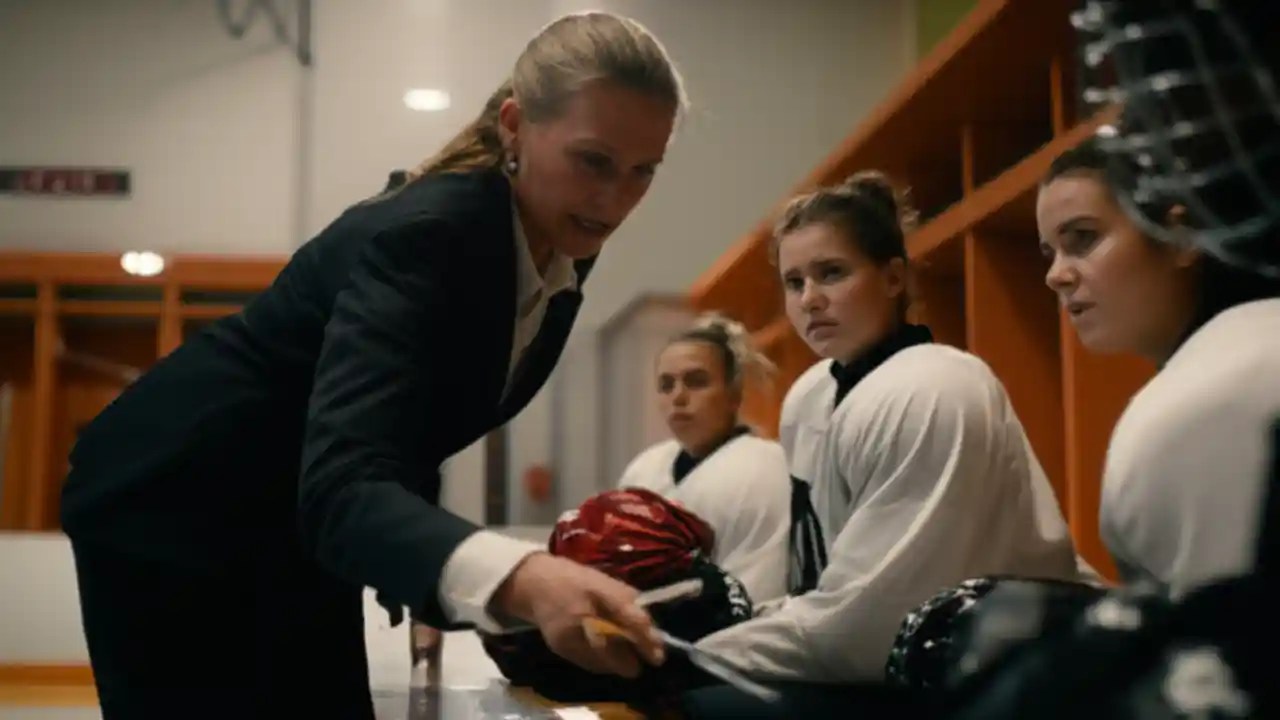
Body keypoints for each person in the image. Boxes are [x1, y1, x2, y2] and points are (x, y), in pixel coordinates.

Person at [58, 12, 685, 718]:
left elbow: (408, 414)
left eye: (643, 172)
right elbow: (343, 481)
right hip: (171, 505)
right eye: (593, 160)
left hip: (288, 516)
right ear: (515, 125)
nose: (615, 198)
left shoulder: (562, 239)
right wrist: (521, 576)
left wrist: (427, 564)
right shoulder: (432, 234)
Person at [690, 170, 1083, 685]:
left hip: (1008, 678)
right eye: (794, 281)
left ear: (894, 278)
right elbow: (826, 592)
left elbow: (871, 628)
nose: (809, 298)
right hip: (900, 664)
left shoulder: (934, 388)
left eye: (831, 273)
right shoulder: (811, 395)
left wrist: (690, 657)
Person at [1037, 137, 1280, 598]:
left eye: (1082, 239)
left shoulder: (1187, 407)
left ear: (1180, 236)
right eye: (1049, 253)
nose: (1056, 275)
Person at [617, 313, 792, 604]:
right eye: (666, 385)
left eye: (696, 382)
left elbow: (759, 592)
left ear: (734, 394)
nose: (678, 397)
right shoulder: (644, 468)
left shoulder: (765, 469)